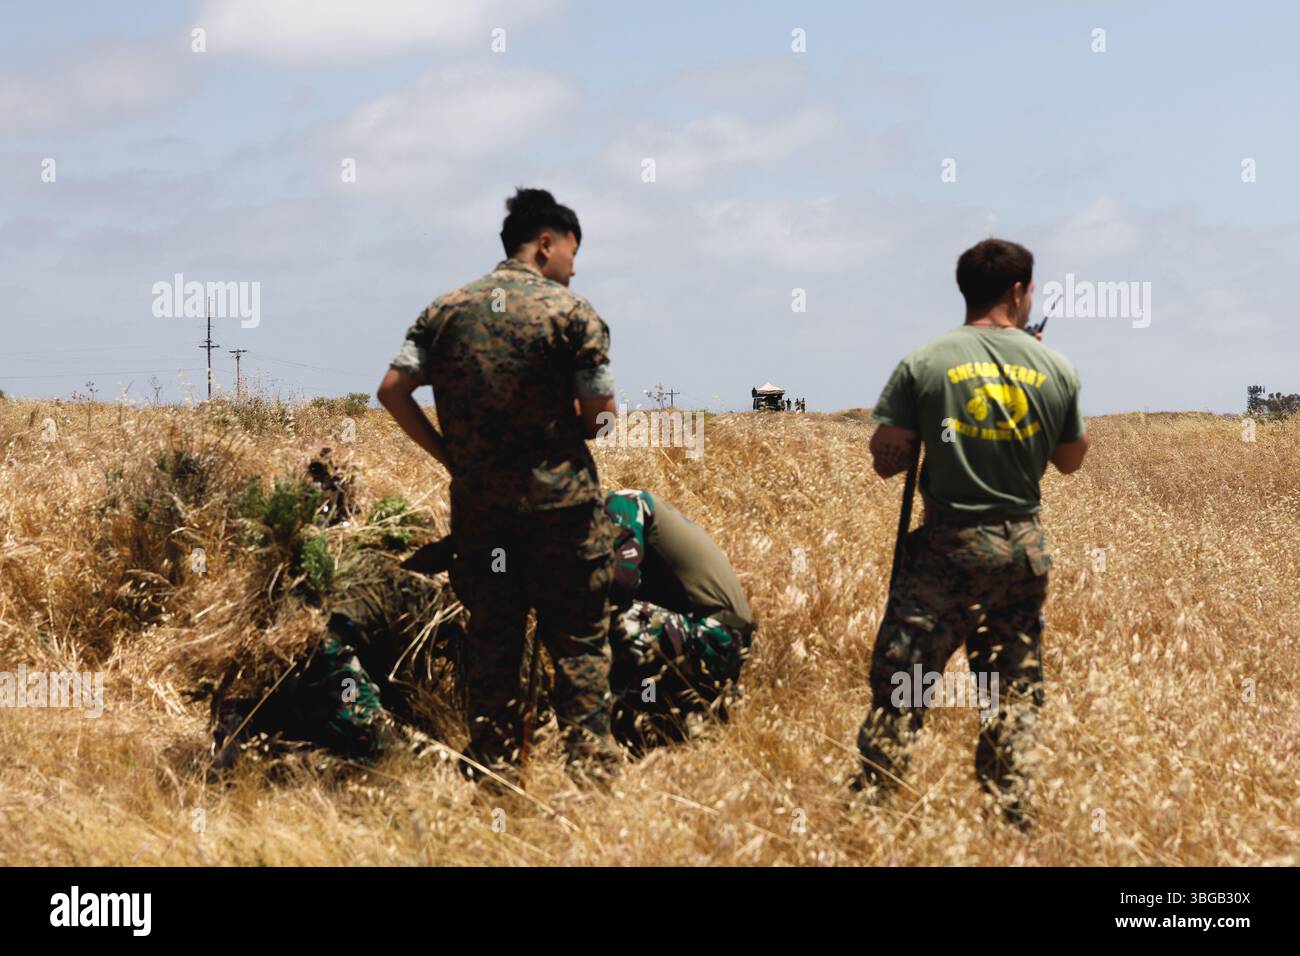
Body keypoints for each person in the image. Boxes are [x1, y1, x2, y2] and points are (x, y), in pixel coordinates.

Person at [377, 187, 621, 788]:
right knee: (580, 648)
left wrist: (454, 457)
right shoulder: (573, 314)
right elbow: (600, 419)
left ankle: (496, 778)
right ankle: (592, 780)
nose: (573, 267)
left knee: (493, 651)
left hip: (484, 519)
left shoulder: (446, 310)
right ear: (545, 244)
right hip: (563, 515)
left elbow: (391, 390)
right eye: (570, 253)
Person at [854, 238, 1089, 828]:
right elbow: (1070, 459)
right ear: (1018, 292)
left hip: (948, 548)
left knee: (904, 681)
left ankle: (871, 810)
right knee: (1010, 689)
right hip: (1023, 549)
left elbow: (888, 459)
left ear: (967, 290)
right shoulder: (1055, 367)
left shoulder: (926, 362)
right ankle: (1008, 817)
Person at [602, 489, 756, 754]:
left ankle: (635, 736)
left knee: (619, 622)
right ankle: (683, 717)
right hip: (721, 640)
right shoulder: (648, 511)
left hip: (714, 636)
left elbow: (620, 581)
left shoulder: (623, 503)